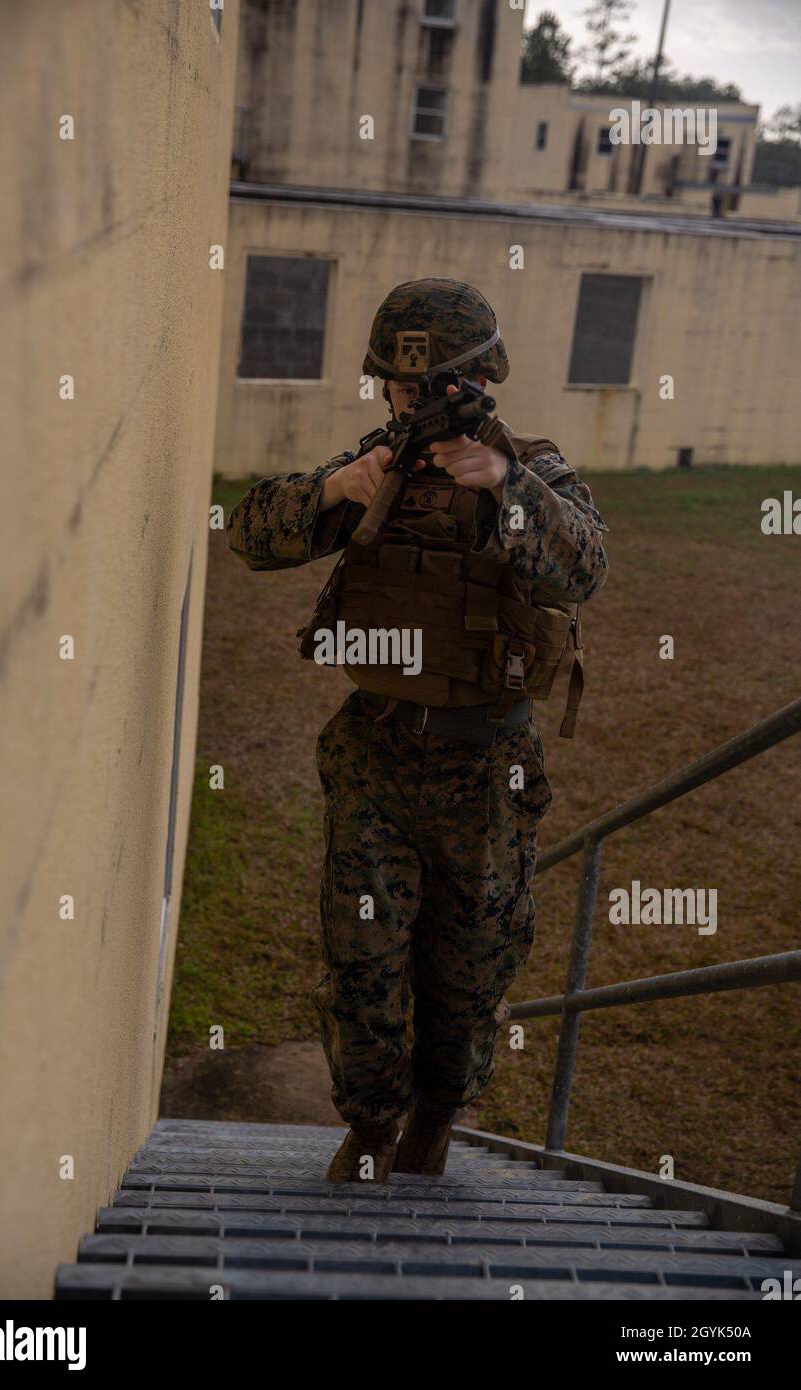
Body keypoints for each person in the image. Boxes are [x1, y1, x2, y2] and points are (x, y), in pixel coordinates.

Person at [227, 278, 608, 1183]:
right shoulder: (378, 468)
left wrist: (508, 489)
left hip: (487, 767)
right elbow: (249, 535)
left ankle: (436, 1118)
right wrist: (336, 488)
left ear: (480, 386)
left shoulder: (536, 472)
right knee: (361, 958)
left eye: (432, 392)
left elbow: (586, 566)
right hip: (378, 753)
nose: (413, 407)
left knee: (468, 973)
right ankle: (370, 1123)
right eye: (398, 393)